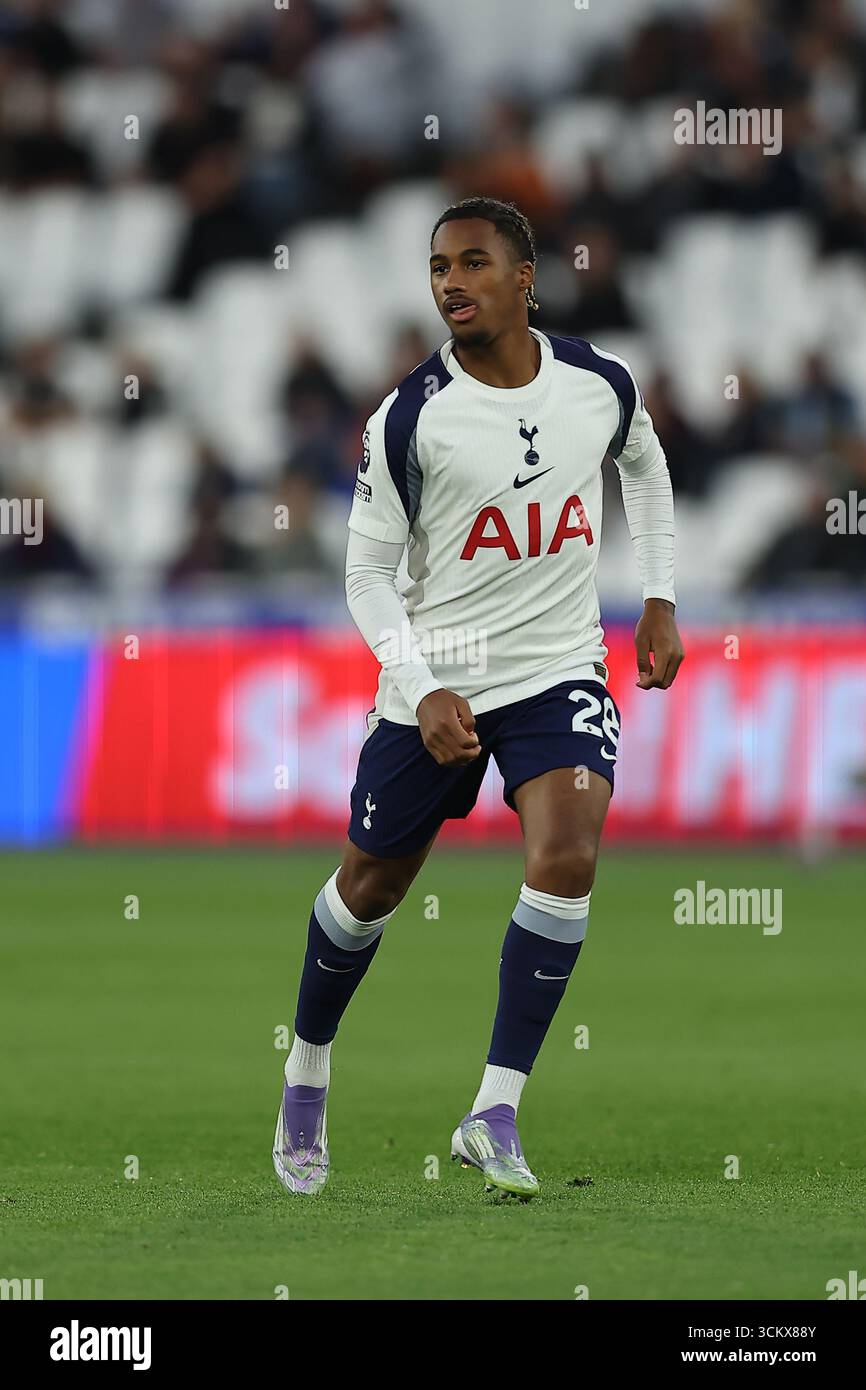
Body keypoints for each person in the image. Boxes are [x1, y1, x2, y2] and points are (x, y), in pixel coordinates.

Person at [273, 196, 684, 1199]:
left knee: (566, 852)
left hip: (558, 667)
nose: (449, 283)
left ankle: (492, 1108)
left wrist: (661, 598)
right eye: (436, 267)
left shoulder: (595, 382)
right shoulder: (410, 415)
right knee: (366, 891)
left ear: (523, 277)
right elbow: (366, 576)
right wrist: (417, 689)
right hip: (438, 675)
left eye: (470, 263)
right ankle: (307, 1066)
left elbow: (644, 461)